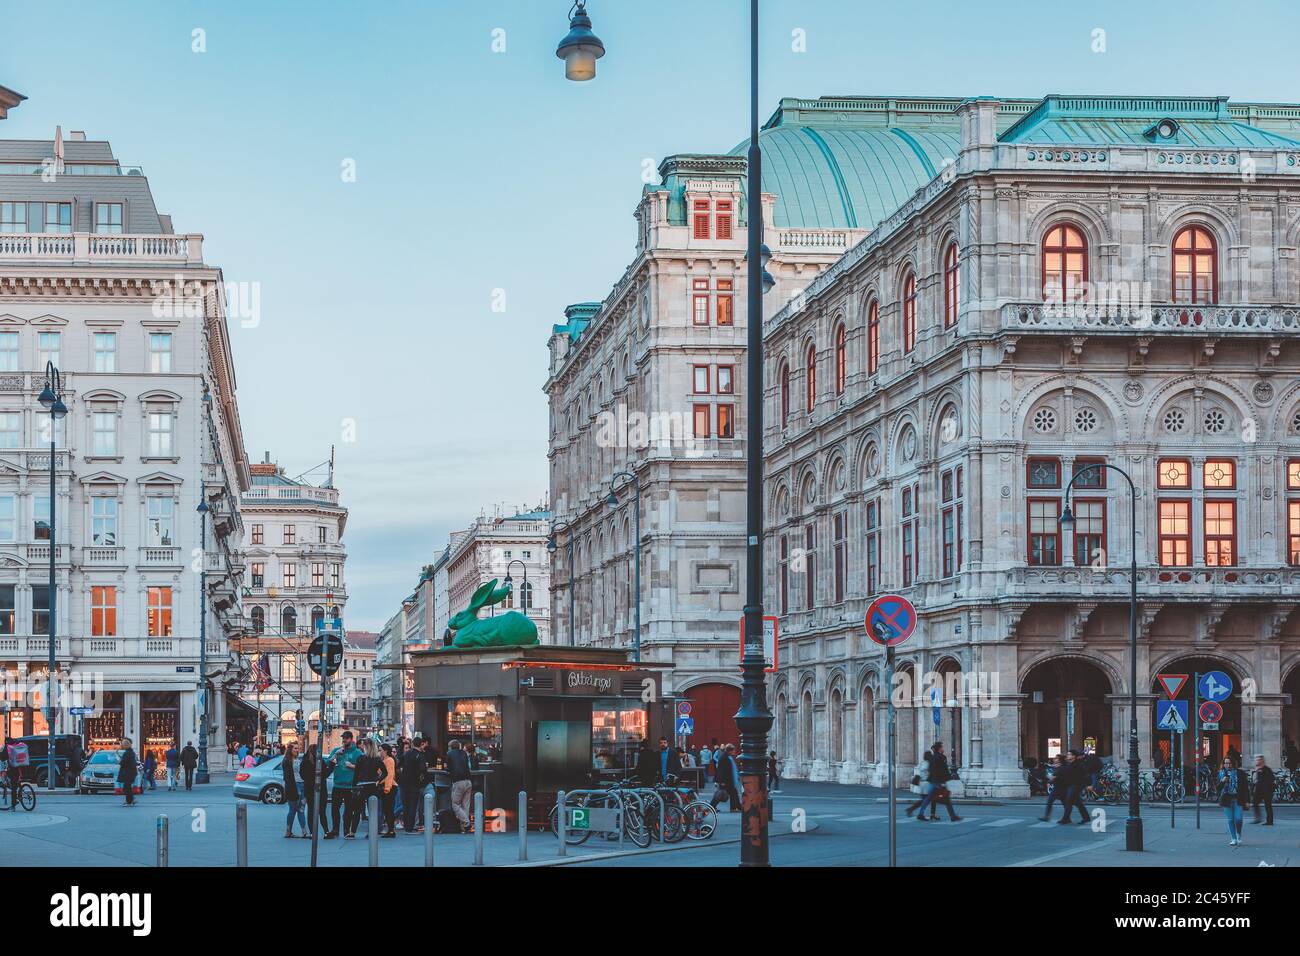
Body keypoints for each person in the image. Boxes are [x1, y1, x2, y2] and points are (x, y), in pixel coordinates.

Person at [325, 731, 359, 839]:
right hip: (338, 785)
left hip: (350, 786)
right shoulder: (337, 751)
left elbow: (362, 767)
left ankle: (346, 830)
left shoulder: (357, 753)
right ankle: (335, 829)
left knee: (348, 810)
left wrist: (352, 766)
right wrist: (336, 754)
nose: (344, 740)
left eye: (347, 738)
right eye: (343, 738)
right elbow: (328, 762)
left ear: (351, 739)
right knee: (335, 809)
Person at [924, 742, 961, 822]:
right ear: (939, 748)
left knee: (932, 798)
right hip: (939, 782)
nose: (943, 748)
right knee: (946, 799)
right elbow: (943, 770)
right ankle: (953, 816)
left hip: (933, 781)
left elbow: (931, 770)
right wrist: (944, 781)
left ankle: (932, 815)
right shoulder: (941, 757)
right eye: (942, 747)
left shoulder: (933, 757)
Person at [399, 736, 428, 835]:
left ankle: (406, 825)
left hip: (404, 782)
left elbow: (399, 763)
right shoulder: (420, 755)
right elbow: (423, 769)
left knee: (406, 805)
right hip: (414, 783)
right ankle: (410, 827)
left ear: (412, 744)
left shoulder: (407, 753)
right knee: (413, 805)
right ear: (421, 744)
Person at [1217, 755, 1249, 846]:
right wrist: (1222, 781)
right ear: (1223, 764)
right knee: (1230, 819)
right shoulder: (1221, 774)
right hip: (1226, 800)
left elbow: (1245, 788)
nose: (1228, 765)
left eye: (1230, 763)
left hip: (1238, 799)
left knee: (1238, 818)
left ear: (1233, 763)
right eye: (1226, 763)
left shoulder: (1240, 773)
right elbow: (1217, 789)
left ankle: (1238, 834)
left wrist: (1247, 801)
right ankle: (1233, 838)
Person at [445, 739, 473, 833]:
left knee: (455, 804)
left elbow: (448, 768)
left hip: (458, 782)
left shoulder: (449, 754)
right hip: (468, 781)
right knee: (466, 805)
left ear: (451, 747)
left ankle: (467, 823)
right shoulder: (464, 753)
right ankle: (464, 828)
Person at [1055, 750, 1090, 825]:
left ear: (1074, 756)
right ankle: (1086, 817)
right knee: (1078, 803)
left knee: (1068, 801)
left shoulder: (1078, 765)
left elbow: (1085, 775)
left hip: (1076, 785)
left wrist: (1087, 785)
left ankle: (1065, 819)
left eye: (1069, 754)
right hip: (1071, 785)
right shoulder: (1070, 764)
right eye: (1067, 754)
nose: (1068, 756)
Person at [281, 742, 308, 838]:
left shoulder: (298, 759)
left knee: (301, 810)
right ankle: (288, 831)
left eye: (297, 748)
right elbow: (287, 778)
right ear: (290, 750)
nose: (297, 750)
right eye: (295, 748)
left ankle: (304, 832)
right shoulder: (287, 761)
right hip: (293, 787)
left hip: (302, 785)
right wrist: (294, 790)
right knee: (292, 810)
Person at [710, 744, 741, 812]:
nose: (735, 751)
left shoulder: (727, 757)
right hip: (725, 780)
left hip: (727, 780)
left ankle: (736, 807)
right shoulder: (724, 758)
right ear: (730, 751)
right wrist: (722, 781)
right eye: (733, 750)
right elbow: (721, 770)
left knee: (732, 793)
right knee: (721, 794)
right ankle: (711, 806)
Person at [379, 742, 397, 837]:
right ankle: (390, 829)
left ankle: (391, 830)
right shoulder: (385, 760)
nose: (379, 752)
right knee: (387, 809)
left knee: (388, 809)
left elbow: (390, 775)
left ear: (385, 751)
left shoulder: (389, 760)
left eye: (380, 750)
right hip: (387, 786)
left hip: (389, 787)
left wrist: (387, 788)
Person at [906, 752, 933, 819]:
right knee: (926, 800)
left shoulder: (922, 763)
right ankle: (919, 813)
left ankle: (912, 809)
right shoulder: (928, 764)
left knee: (924, 800)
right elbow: (930, 773)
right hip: (926, 784)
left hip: (922, 783)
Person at [1038, 755, 1064, 821]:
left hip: (1060, 788)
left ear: (1059, 760)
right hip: (1058, 787)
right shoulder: (1056, 766)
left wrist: (1049, 777)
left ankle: (1047, 817)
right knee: (1065, 803)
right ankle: (1047, 816)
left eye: (1056, 758)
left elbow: (1054, 777)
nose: (1054, 759)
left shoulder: (1060, 767)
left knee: (1066, 803)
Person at [1251, 754, 1274, 826]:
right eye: (1256, 759)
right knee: (1255, 802)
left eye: (1258, 760)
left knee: (1268, 805)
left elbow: (1271, 779)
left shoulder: (1267, 769)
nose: (1257, 761)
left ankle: (1270, 821)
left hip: (1267, 791)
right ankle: (1257, 818)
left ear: (1262, 760)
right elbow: (1256, 780)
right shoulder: (1257, 769)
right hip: (1259, 790)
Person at [118, 738, 138, 807]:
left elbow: (123, 763)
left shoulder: (127, 753)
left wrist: (119, 760)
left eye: (122, 745)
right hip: (131, 772)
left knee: (127, 787)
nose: (121, 746)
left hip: (128, 773)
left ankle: (129, 801)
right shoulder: (131, 752)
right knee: (127, 787)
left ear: (125, 745)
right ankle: (131, 800)